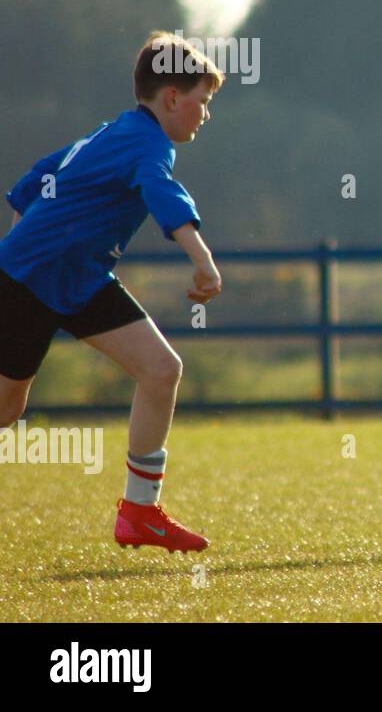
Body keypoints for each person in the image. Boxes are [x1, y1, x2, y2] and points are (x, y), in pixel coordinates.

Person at [0, 31, 224, 553]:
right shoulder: (147, 143)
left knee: (161, 369)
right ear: (172, 97)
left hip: (77, 278)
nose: (205, 115)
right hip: (31, 280)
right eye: (202, 102)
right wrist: (203, 259)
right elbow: (162, 191)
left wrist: (29, 231)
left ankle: (140, 512)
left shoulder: (116, 132)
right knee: (6, 409)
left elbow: (34, 181)